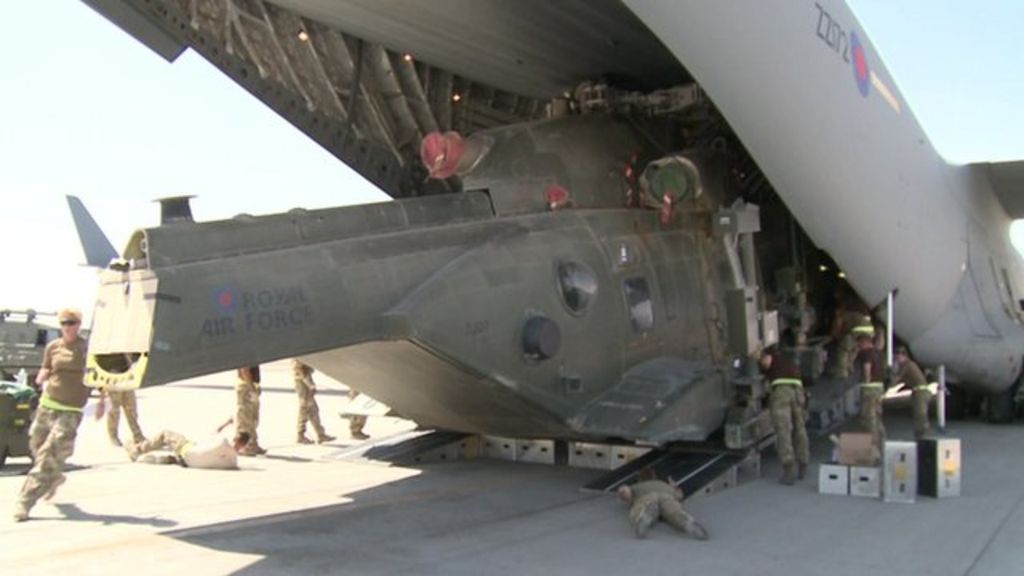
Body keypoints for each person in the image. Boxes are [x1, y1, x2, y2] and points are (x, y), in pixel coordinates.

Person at [14, 308, 106, 522]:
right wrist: (42, 375)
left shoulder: (86, 349)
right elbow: (46, 367)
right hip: (47, 405)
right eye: (64, 323)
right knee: (36, 445)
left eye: (72, 322)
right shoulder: (53, 347)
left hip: (71, 410)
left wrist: (103, 401)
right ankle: (54, 477)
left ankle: (25, 501)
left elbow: (99, 375)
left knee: (48, 454)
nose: (68, 326)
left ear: (79, 324)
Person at [759, 345, 810, 485]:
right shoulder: (789, 360)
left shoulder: (772, 358)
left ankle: (789, 469)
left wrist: (758, 362)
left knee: (784, 430)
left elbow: (765, 364)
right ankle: (803, 464)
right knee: (800, 429)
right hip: (798, 392)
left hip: (782, 393)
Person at [616, 479, 708, 540]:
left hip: (649, 497)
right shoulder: (664, 484)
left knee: (639, 508)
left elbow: (625, 490)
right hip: (667, 495)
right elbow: (680, 495)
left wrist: (627, 500)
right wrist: (674, 487)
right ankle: (687, 521)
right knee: (674, 511)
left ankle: (643, 516)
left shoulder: (638, 486)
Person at [126, 429, 250, 469]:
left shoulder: (223, 442)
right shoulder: (232, 463)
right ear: (244, 446)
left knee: (166, 434)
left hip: (188, 451)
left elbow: (211, 439)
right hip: (190, 463)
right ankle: (169, 459)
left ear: (235, 439)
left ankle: (137, 450)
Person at [855, 333, 887, 459]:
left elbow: (867, 367)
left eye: (860, 343)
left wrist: (866, 380)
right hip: (879, 387)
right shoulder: (879, 353)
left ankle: (873, 450)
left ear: (865, 342)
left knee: (869, 419)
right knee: (878, 418)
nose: (859, 346)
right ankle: (882, 445)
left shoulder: (867, 353)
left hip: (870, 389)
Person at [292, 360, 335, 444]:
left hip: (303, 379)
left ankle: (320, 434)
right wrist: (310, 385)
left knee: (313, 410)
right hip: (302, 381)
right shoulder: (301, 357)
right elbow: (301, 369)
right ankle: (300, 435)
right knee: (305, 408)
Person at [893, 345, 931, 439]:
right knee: (919, 415)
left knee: (920, 414)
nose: (897, 359)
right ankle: (920, 435)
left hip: (920, 392)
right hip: (919, 391)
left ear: (904, 356)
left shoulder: (907, 365)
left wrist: (888, 381)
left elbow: (897, 379)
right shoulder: (909, 364)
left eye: (898, 357)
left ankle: (923, 436)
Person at [235, 365, 266, 455]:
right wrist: (252, 389)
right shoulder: (247, 354)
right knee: (246, 418)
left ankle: (253, 444)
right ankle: (245, 446)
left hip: (249, 385)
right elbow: (245, 369)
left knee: (253, 418)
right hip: (246, 387)